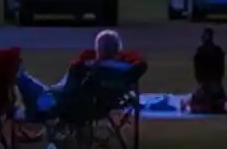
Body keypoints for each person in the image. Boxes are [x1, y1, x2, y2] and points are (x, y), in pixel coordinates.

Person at [13, 30, 147, 120]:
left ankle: (20, 76)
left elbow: (66, 90)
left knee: (36, 89)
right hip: (101, 107)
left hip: (66, 105)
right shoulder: (125, 70)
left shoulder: (86, 67)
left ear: (98, 49)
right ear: (118, 49)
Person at [188, 28, 227, 114]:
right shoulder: (217, 52)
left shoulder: (201, 52)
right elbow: (220, 69)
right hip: (214, 83)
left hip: (208, 83)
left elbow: (198, 70)